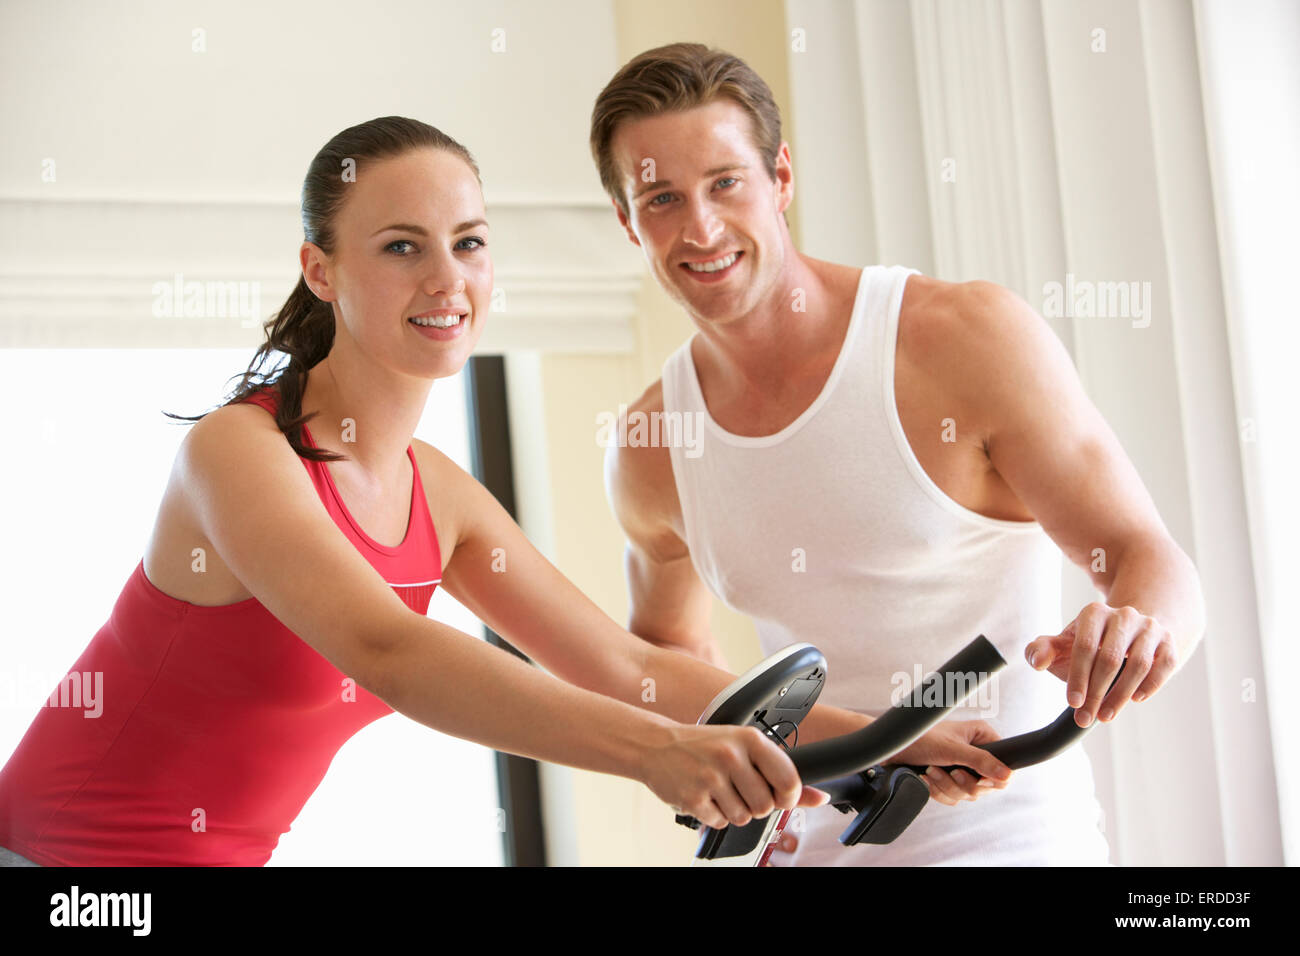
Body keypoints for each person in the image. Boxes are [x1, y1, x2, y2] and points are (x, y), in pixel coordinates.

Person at [0, 116, 1009, 868]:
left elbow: (623, 662)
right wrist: (658, 754)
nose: (447, 278)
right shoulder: (239, 453)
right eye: (401, 246)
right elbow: (388, 648)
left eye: (469, 241)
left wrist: (889, 733)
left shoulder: (438, 497)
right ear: (320, 269)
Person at [591, 44, 1207, 865]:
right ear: (629, 221)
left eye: (725, 182)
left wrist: (1137, 629)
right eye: (662, 198)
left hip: (1013, 842)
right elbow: (669, 658)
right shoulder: (652, 448)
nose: (700, 227)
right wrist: (741, 780)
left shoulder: (960, 340)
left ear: (780, 177)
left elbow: (1146, 556)